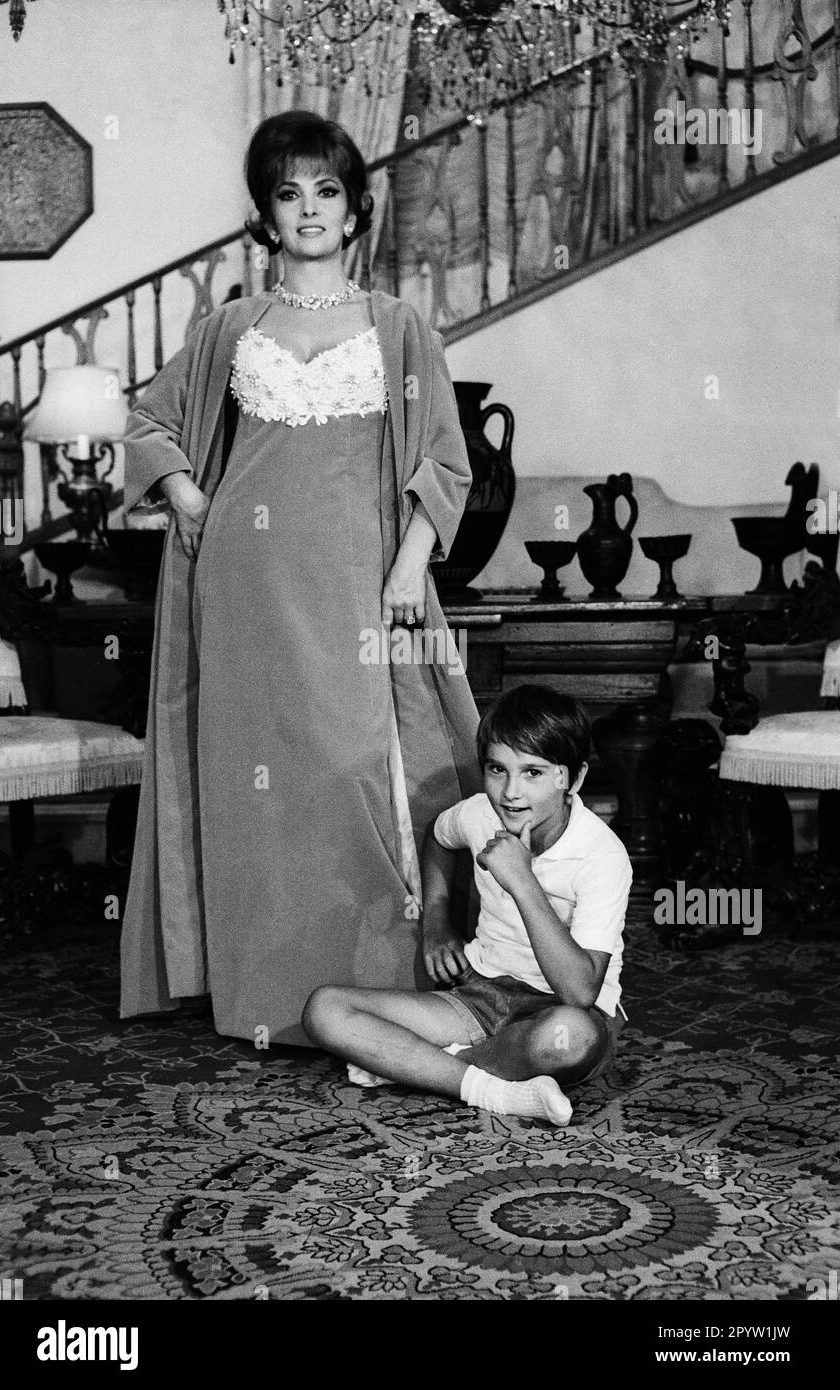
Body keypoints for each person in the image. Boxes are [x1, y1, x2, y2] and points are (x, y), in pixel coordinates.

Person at [119, 110, 481, 1044]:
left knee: (357, 766)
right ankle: (266, 999)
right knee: (258, 786)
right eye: (289, 193)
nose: (309, 208)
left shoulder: (401, 329)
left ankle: (378, 984)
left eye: (326, 190)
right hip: (241, 588)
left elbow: (441, 464)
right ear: (266, 216)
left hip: (359, 582)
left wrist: (409, 566)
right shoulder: (230, 328)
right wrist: (193, 504)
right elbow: (149, 427)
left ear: (356, 209)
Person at [303, 685, 632, 1125]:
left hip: (563, 1011)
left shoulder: (602, 856)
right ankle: (496, 1090)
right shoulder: (480, 814)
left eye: (533, 773)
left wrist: (522, 881)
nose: (511, 792)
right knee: (325, 1009)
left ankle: (420, 1066)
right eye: (498, 769)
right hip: (481, 994)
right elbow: (438, 839)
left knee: (567, 1038)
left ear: (573, 779)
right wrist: (436, 921)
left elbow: (580, 991)